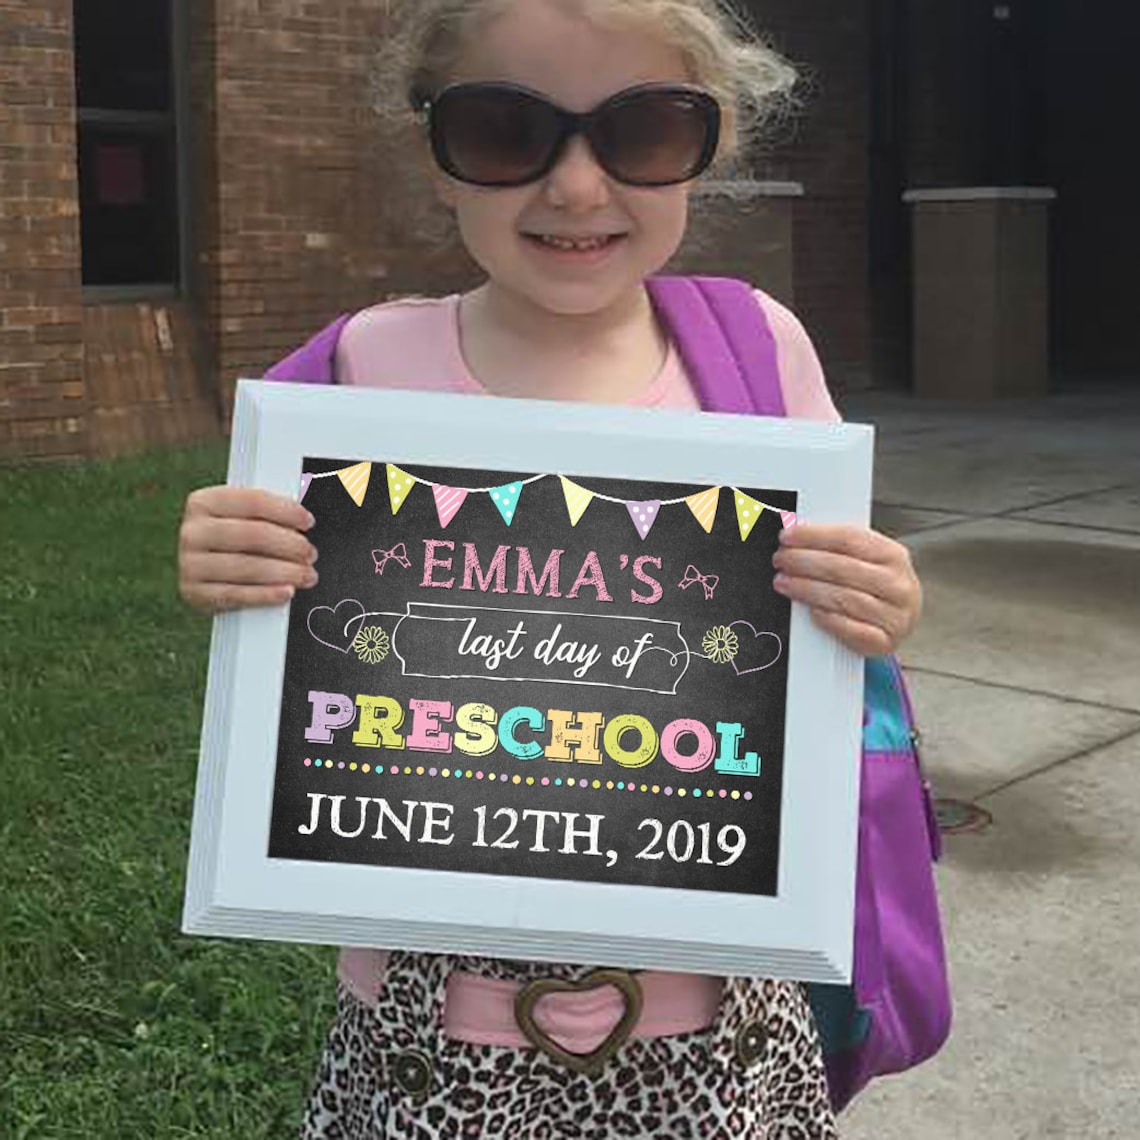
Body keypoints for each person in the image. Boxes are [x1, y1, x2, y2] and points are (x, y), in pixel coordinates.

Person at [178, 0, 922, 1134]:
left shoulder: (758, 349)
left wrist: (879, 598)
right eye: (503, 132)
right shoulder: (356, 371)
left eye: (647, 131)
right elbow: (269, 607)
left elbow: (836, 609)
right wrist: (227, 561)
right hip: (427, 1026)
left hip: (722, 1021)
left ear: (706, 149)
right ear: (437, 154)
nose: (577, 186)